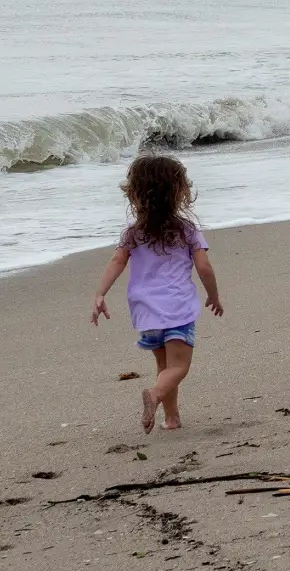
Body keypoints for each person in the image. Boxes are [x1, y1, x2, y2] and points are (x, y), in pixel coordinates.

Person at [91, 155, 223, 434]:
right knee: (179, 368)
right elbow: (204, 267)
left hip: (145, 310)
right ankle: (154, 395)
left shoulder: (132, 233)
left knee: (164, 364)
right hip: (176, 308)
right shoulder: (187, 231)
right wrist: (213, 295)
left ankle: (172, 419)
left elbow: (117, 262)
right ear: (179, 192)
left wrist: (100, 293)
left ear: (135, 194)